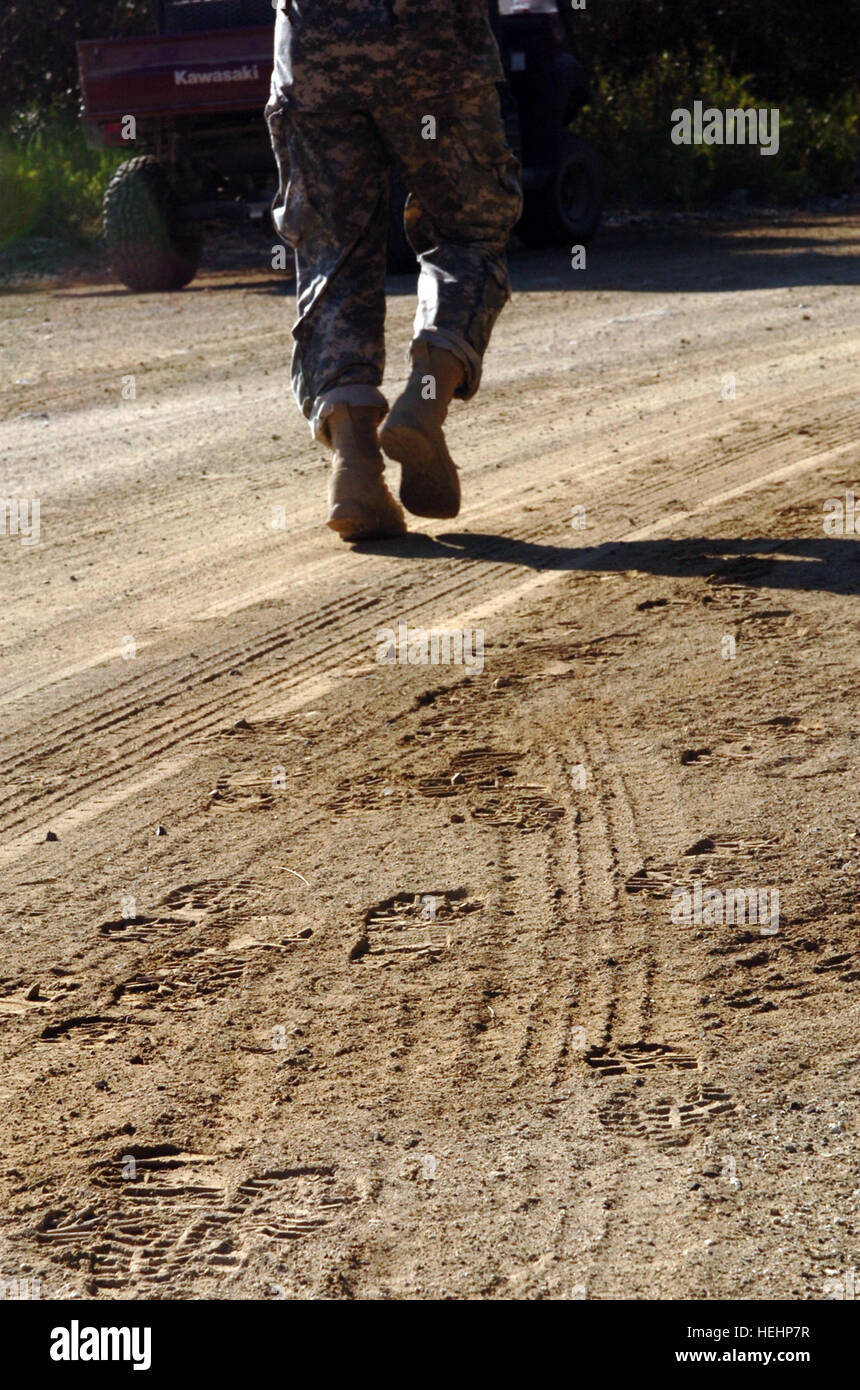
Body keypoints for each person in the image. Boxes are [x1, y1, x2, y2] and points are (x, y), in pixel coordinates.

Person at [266, 1, 523, 541]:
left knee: (333, 256)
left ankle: (355, 469)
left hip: (315, 54)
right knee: (469, 232)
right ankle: (425, 399)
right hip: (436, 47)